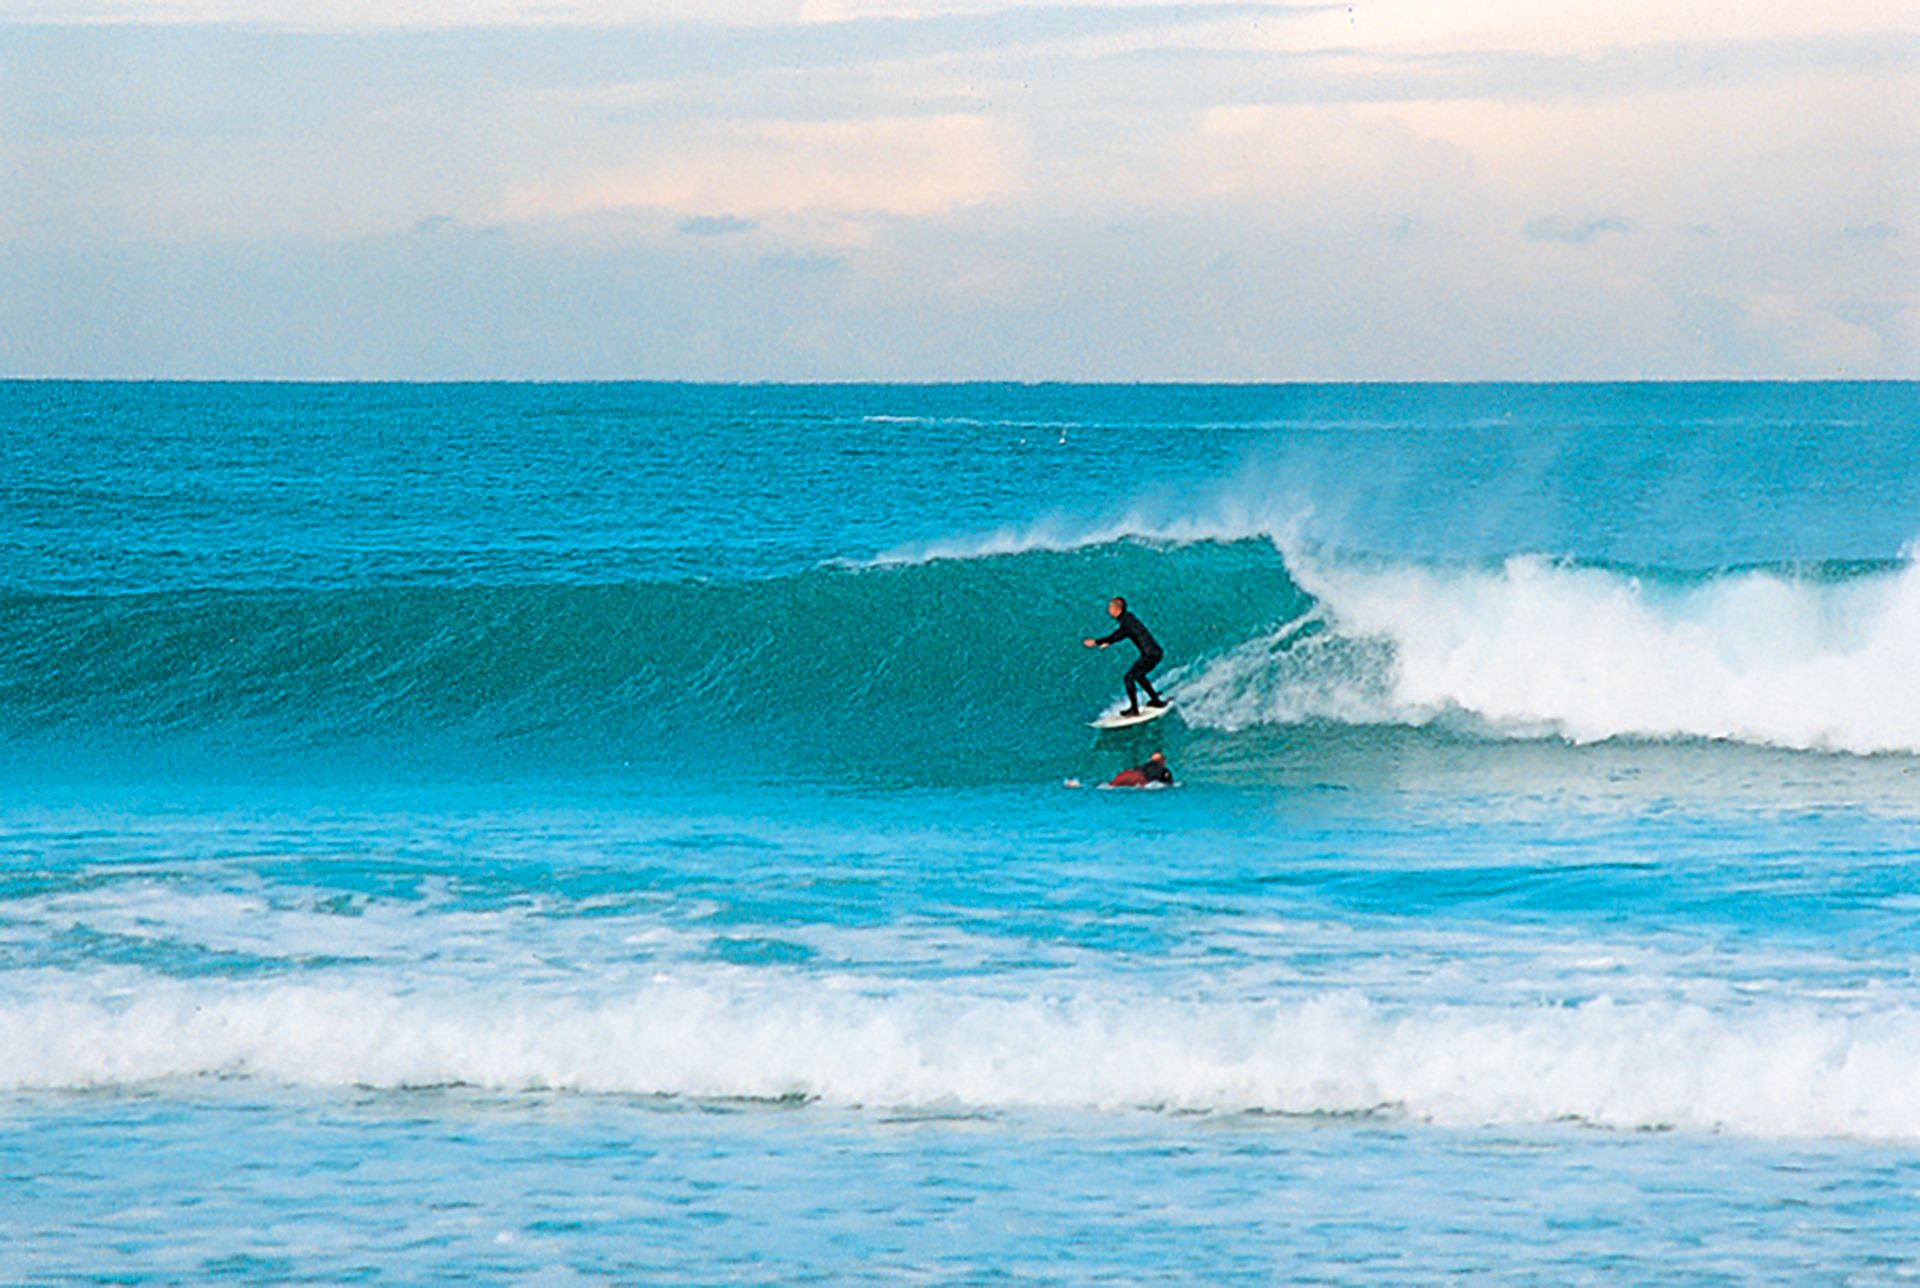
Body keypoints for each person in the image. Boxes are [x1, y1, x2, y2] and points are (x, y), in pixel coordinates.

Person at [1082, 595, 1167, 717]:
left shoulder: (1127, 622)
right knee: (1139, 676)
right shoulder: (1128, 619)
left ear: (1118, 609)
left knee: (1129, 678)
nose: (1108, 610)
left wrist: (1096, 642)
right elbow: (1121, 634)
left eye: (1110, 608)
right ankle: (1156, 701)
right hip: (1153, 653)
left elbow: (1119, 634)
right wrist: (1109, 642)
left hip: (1151, 655)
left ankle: (1135, 709)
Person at [1108, 751, 1174, 788]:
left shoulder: (1145, 765)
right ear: (1163, 761)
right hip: (1138, 778)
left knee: (1111, 786)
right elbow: (1168, 784)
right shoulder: (1163, 771)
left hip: (1127, 773)